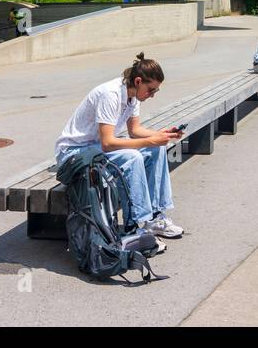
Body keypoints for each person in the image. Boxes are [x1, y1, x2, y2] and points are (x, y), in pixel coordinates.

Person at [54, 53, 184, 238]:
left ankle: (155, 218)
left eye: (155, 91)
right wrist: (150, 140)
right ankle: (135, 227)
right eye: (151, 90)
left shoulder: (133, 96)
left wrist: (162, 135)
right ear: (138, 81)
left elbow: (135, 130)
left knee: (157, 149)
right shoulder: (111, 94)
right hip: (73, 153)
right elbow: (108, 143)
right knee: (132, 157)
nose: (152, 95)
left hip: (94, 148)